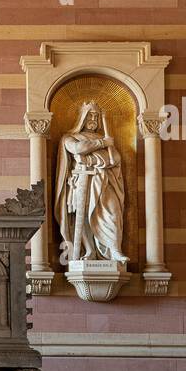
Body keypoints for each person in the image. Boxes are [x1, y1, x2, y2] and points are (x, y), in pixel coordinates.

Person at [54, 101, 127, 263]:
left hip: (105, 183)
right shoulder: (70, 137)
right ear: (82, 118)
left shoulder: (105, 138)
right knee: (84, 215)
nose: (93, 119)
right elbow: (77, 149)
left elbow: (114, 158)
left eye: (96, 116)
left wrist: (91, 158)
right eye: (90, 115)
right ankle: (89, 251)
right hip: (81, 183)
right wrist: (101, 146)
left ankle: (115, 250)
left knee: (112, 213)